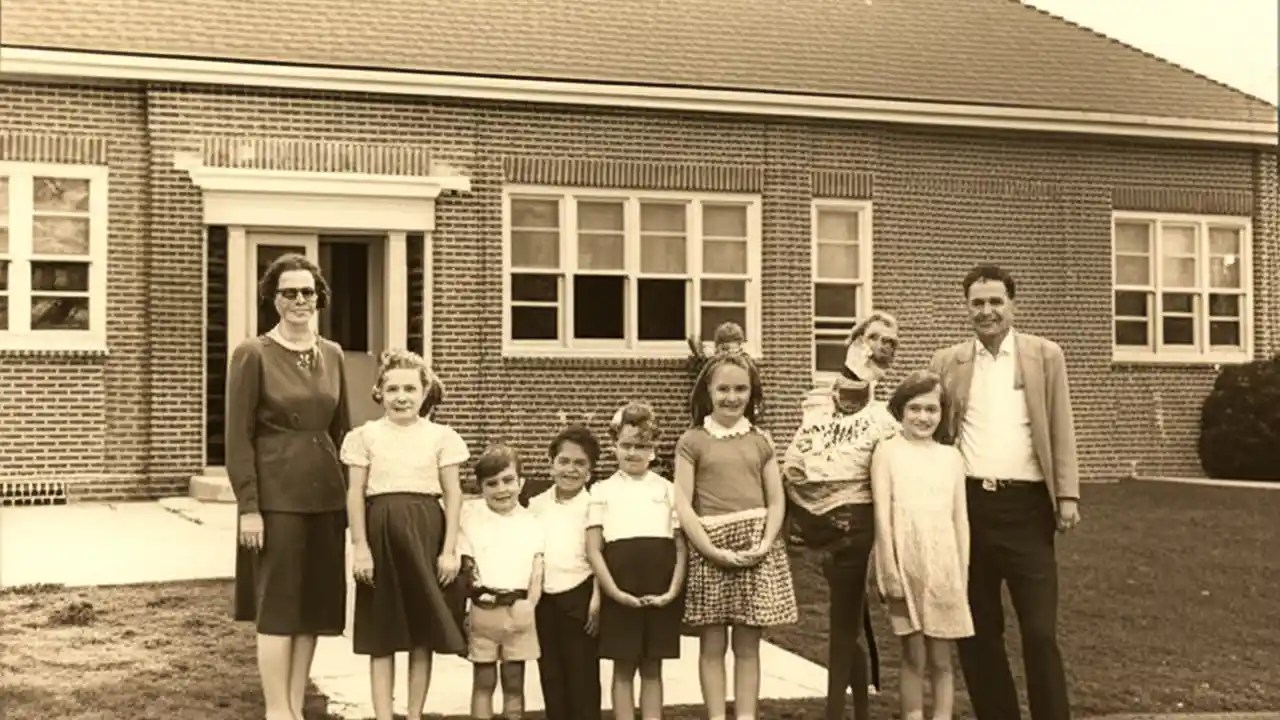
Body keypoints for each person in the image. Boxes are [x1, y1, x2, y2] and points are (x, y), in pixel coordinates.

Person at [929, 264, 1081, 720]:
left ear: (1012, 304)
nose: (987, 311)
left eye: (996, 301)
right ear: (966, 307)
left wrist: (1068, 495)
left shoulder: (1044, 355)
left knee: (1039, 631)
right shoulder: (947, 362)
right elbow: (931, 431)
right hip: (970, 508)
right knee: (976, 630)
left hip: (1028, 509)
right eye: (978, 303)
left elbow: (1061, 425)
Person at [227, 253, 350, 720]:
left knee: (314, 610)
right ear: (272, 299)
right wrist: (250, 508)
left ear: (319, 298)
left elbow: (344, 435)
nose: (300, 300)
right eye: (289, 292)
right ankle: (277, 711)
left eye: (307, 292)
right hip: (276, 501)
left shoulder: (333, 354)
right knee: (279, 610)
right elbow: (238, 438)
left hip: (325, 498)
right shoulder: (252, 354)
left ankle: (296, 707)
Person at [783, 312, 900, 720]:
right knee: (849, 623)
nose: (881, 346)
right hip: (809, 525)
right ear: (856, 340)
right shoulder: (816, 404)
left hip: (854, 531)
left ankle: (835, 711)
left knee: (843, 623)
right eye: (874, 337)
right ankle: (862, 711)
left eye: (891, 341)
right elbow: (797, 462)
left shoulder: (884, 419)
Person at [341, 349, 469, 720]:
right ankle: (383, 714)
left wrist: (449, 550)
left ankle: (414, 713)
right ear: (379, 391)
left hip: (426, 531)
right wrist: (360, 547)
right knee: (382, 631)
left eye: (410, 389)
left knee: (420, 631)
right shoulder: (364, 436)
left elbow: (453, 494)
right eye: (393, 388)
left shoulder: (442, 437)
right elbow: (355, 493)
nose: (401, 397)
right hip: (380, 531)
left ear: (425, 391)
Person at [675, 352, 799, 720]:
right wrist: (710, 549)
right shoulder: (692, 440)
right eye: (724, 389)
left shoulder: (761, 441)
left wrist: (764, 543)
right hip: (710, 544)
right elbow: (682, 502)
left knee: (748, 647)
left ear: (752, 392)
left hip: (754, 546)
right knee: (712, 645)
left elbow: (776, 500)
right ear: (708, 392)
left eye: (741, 389)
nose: (732, 397)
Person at [872, 370, 973, 720]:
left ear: (941, 413)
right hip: (904, 562)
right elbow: (882, 517)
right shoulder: (887, 452)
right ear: (900, 410)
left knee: (942, 659)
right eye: (914, 408)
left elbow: (960, 520)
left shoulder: (951, 458)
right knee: (913, 655)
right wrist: (889, 570)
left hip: (943, 566)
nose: (922, 417)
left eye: (931, 410)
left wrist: (960, 574)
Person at [586, 402, 687, 720]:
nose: (633, 452)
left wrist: (672, 591)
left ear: (654, 450)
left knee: (653, 668)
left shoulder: (670, 490)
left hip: (660, 589)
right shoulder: (601, 490)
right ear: (614, 446)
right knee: (623, 666)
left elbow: (681, 548)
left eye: (641, 446)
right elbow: (593, 549)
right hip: (621, 587)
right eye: (626, 445)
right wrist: (614, 592)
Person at [460, 445, 546, 720]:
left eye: (508, 480)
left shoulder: (532, 521)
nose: (501, 489)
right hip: (483, 610)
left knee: (514, 681)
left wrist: (531, 603)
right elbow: (466, 566)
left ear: (521, 482)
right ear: (480, 487)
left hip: (518, 610)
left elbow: (537, 569)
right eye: (492, 483)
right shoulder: (470, 515)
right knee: (483, 681)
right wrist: (466, 606)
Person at [529, 424, 605, 720]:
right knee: (551, 676)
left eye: (580, 463)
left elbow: (601, 556)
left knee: (582, 676)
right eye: (564, 461)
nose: (570, 469)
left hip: (581, 597)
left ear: (590, 471)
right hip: (544, 601)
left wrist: (597, 600)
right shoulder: (535, 505)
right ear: (551, 465)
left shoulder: (594, 505)